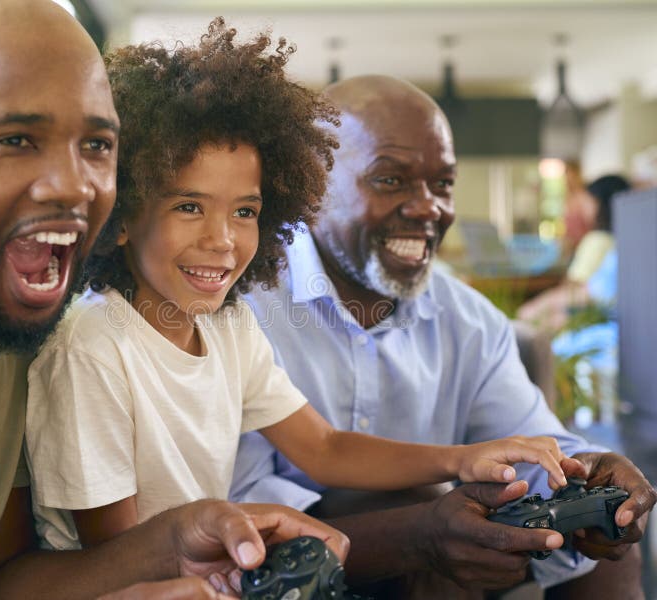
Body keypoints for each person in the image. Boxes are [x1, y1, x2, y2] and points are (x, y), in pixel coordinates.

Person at [25, 19, 576, 559]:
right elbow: (118, 556)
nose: (222, 240)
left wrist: (462, 460)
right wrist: (251, 531)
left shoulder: (230, 327)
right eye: (188, 207)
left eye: (245, 211)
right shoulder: (93, 347)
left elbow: (326, 447)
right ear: (121, 216)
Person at [0, 2, 351, 598]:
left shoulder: (24, 307)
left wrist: (176, 543)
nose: (74, 186)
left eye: (96, 146)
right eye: (16, 138)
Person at [230, 75, 656, 598]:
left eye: (444, 183)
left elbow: (535, 449)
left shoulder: (468, 320)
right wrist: (419, 531)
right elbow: (236, 506)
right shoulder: (238, 299)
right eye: (391, 179)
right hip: (277, 562)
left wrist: (585, 474)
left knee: (606, 546)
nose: (430, 206)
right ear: (311, 184)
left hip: (436, 549)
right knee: (423, 518)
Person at [517, 175, 631, 333]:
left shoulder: (597, 240)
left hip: (587, 314)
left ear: (599, 203)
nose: (582, 208)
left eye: (587, 201)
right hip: (602, 314)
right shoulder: (624, 241)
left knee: (528, 315)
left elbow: (574, 288)